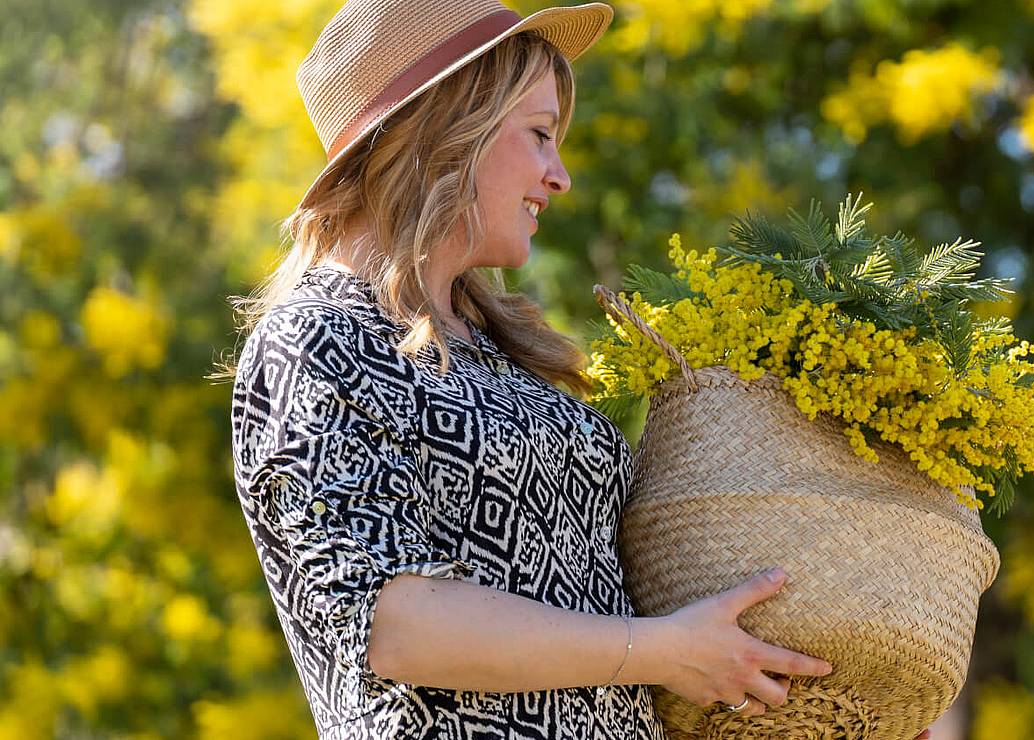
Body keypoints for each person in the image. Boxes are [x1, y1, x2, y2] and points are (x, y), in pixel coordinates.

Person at [219, 2, 935, 737]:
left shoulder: (499, 350)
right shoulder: (314, 339)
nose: (558, 176)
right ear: (444, 133)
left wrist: (831, 690)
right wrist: (662, 652)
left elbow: (619, 624)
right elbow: (388, 623)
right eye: (538, 134)